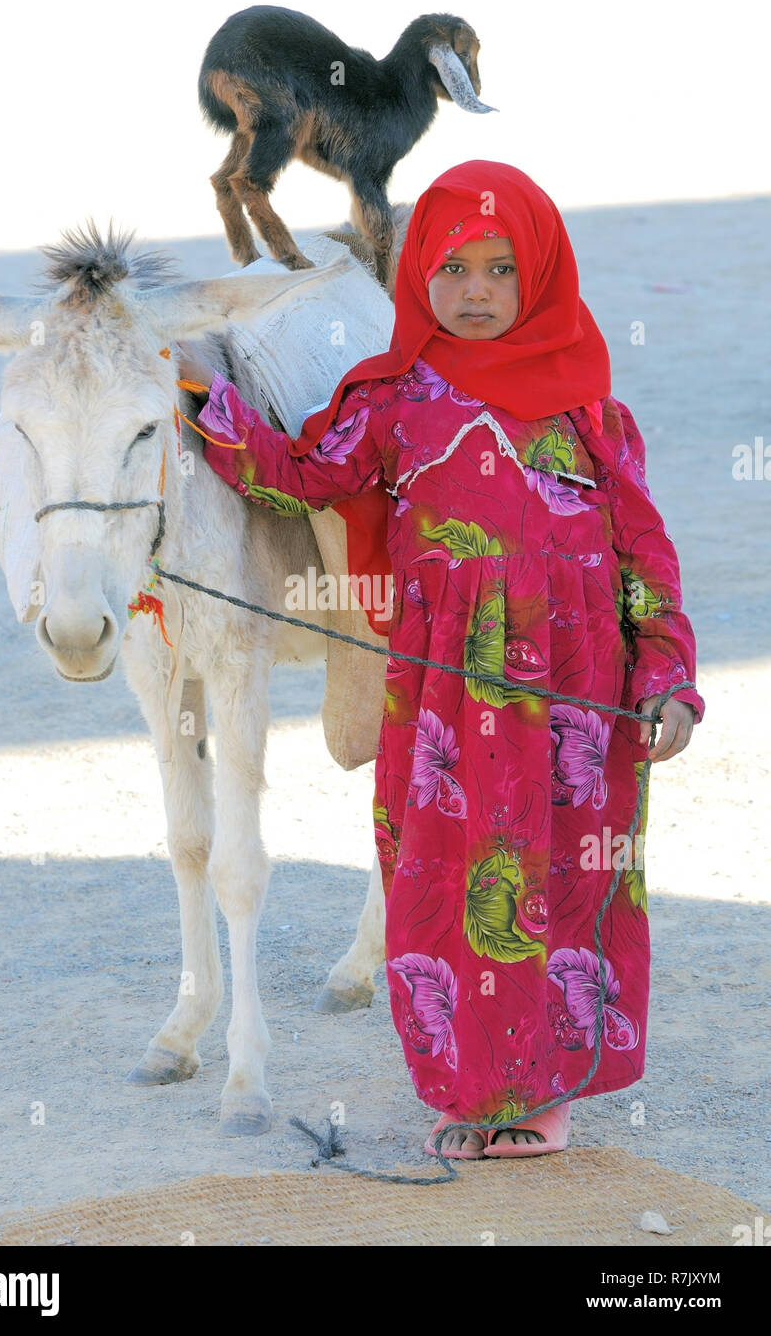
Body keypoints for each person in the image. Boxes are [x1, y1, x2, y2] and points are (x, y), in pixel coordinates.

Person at [176, 159, 704, 1160]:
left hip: (574, 702)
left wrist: (667, 674)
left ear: (538, 274)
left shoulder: (587, 408)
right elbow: (305, 476)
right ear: (418, 274)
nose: (473, 291)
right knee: (448, 885)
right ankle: (472, 1091)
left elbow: (643, 549)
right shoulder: (389, 399)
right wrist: (208, 409)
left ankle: (543, 1095)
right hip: (446, 706)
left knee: (557, 885)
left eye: (499, 268)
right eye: (452, 267)